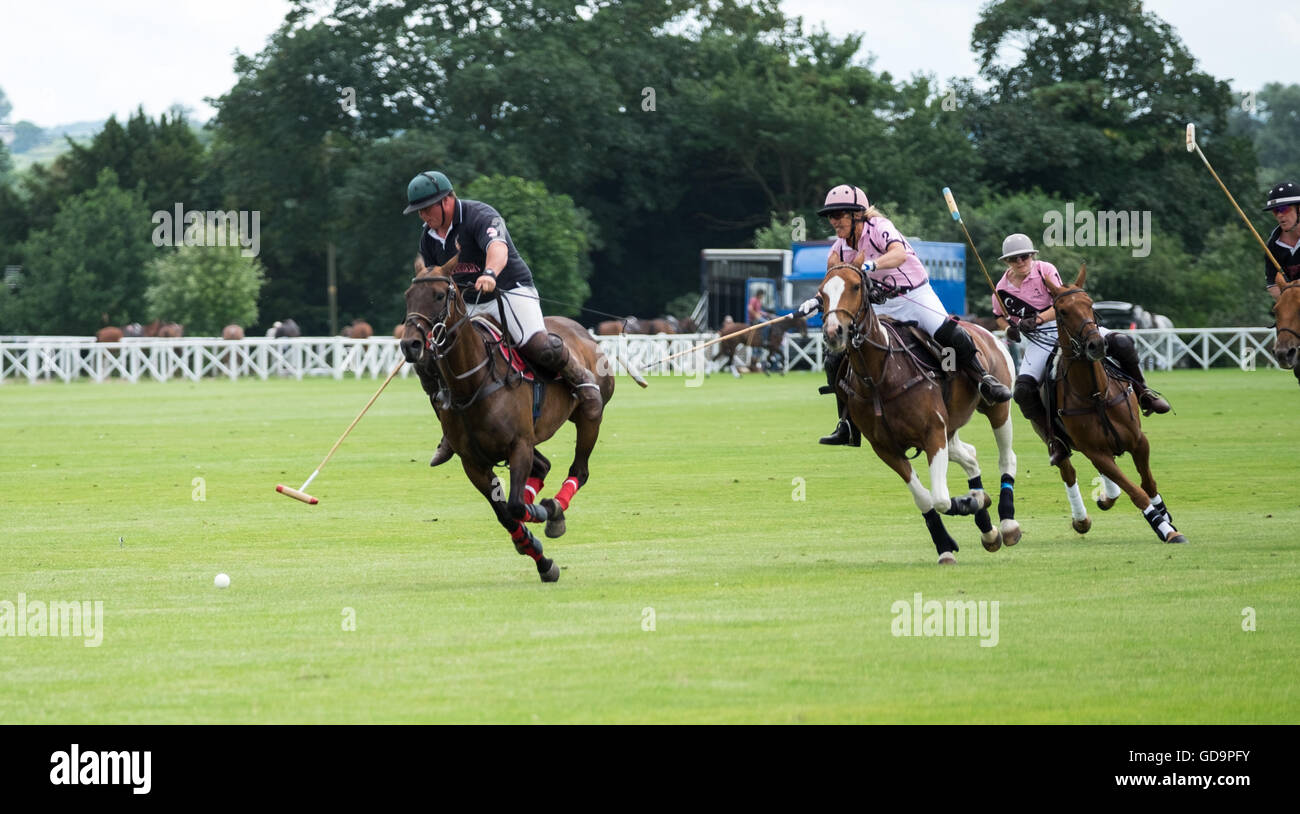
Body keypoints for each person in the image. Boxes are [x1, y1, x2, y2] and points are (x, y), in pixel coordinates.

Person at [404, 171, 603, 467]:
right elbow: (433, 279)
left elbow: (498, 249)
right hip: (467, 304)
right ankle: (449, 430)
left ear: (447, 200)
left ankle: (583, 382)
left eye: (427, 207)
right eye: (418, 210)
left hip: (508, 291)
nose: (423, 215)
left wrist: (490, 273)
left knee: (537, 344)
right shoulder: (428, 237)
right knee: (431, 362)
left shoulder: (479, 215)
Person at [797, 184, 1012, 446]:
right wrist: (815, 301)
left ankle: (983, 379)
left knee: (949, 333)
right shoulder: (840, 249)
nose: (834, 221)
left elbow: (898, 254)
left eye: (840, 214)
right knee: (837, 357)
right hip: (881, 304)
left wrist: (870, 265)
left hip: (913, 296)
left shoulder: (879, 227)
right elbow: (838, 284)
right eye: (831, 216)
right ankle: (846, 423)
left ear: (857, 215)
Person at [992, 233, 1170, 466]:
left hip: (1068, 327)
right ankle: (1055, 441)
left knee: (1123, 343)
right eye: (1014, 259)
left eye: (1024, 256)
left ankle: (1144, 394)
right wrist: (1009, 330)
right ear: (1007, 262)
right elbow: (999, 318)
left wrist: (1035, 320)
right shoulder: (1001, 289)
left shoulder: (1044, 270)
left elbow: (1061, 304)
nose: (1020, 262)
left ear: (1032, 256)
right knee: (1023, 391)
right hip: (1039, 341)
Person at [1264, 181, 1300, 300]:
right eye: (1275, 211)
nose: (1279, 215)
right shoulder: (1272, 246)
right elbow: (1272, 285)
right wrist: (1289, 302)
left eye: (1284, 208)